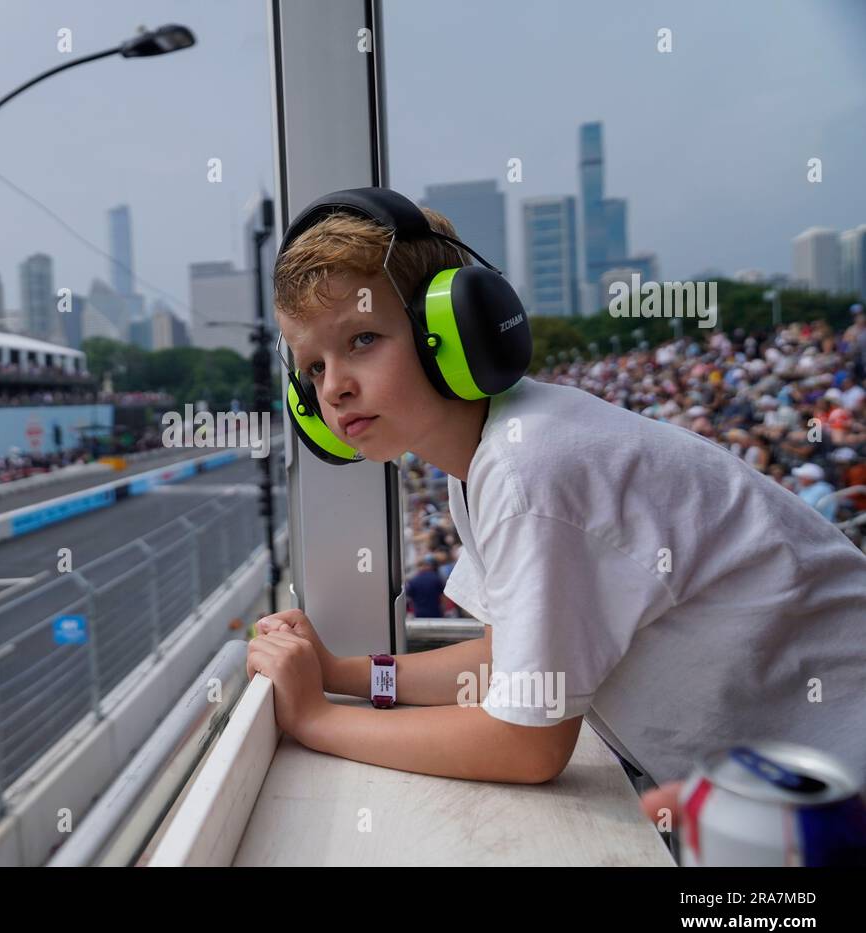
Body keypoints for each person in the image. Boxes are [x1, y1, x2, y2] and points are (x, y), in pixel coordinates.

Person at [247, 187, 866, 792]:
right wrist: (343, 674)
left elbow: (526, 745)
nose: (333, 388)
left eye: (361, 340)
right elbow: (496, 664)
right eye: (313, 368)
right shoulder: (494, 456)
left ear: (457, 327)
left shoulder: (529, 470)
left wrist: (316, 718)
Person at [403, 553, 443, 618]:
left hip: (419, 615)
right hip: (436, 614)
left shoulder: (414, 580)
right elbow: (442, 598)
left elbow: (408, 598)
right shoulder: (437, 578)